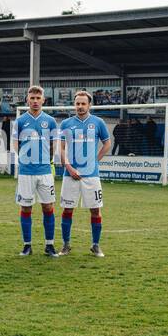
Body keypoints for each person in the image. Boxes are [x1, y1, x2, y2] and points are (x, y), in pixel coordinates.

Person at [58, 91, 111, 257]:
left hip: (92, 176)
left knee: (95, 210)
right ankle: (66, 245)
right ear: (74, 105)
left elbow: (107, 144)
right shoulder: (66, 123)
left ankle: (95, 245)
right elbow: (61, 147)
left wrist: (94, 161)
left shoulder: (98, 122)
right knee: (67, 210)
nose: (80, 107)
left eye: (83, 103)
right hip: (70, 175)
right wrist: (69, 167)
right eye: (77, 103)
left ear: (89, 105)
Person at [12, 85, 62, 257]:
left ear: (43, 100)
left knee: (48, 207)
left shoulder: (50, 121)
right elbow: (15, 143)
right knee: (26, 208)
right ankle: (27, 245)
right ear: (27, 99)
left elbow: (54, 142)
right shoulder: (19, 121)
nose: (34, 101)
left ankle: (49, 245)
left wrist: (49, 158)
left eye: (37, 98)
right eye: (31, 98)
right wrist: (23, 157)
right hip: (26, 171)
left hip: (45, 171)